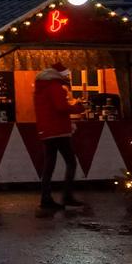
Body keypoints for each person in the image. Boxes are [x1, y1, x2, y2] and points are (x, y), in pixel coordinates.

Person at [35, 63, 85, 215]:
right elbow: (61, 107)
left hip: (47, 130)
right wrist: (78, 107)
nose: (68, 77)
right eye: (66, 74)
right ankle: (67, 195)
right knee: (71, 162)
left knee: (49, 165)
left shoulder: (41, 87)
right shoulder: (55, 87)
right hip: (58, 130)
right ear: (59, 75)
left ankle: (46, 198)